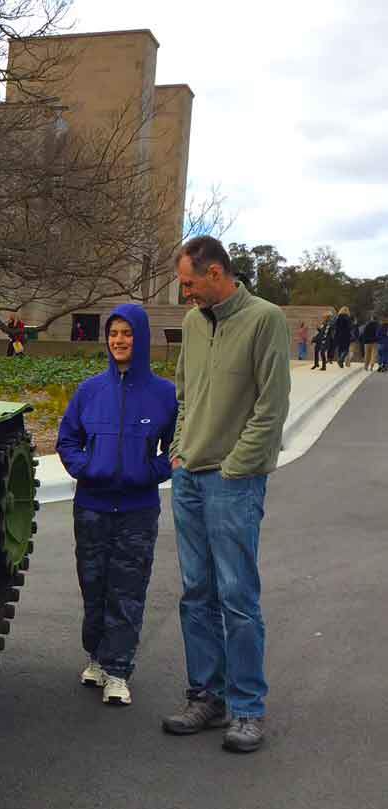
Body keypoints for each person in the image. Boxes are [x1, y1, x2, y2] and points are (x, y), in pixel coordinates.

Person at [162, 237, 289, 753]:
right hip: (190, 477)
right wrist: (178, 450)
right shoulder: (194, 324)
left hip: (233, 482)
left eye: (189, 283)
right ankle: (207, 696)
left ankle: (247, 709)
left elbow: (271, 408)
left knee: (237, 596)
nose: (185, 292)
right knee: (196, 593)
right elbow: (184, 394)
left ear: (217, 273)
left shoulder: (265, 320)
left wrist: (235, 468)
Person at [56, 303, 177, 706]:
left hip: (136, 510)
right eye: (113, 334)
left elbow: (176, 447)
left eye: (127, 333)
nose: (119, 341)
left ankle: (119, 671)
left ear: (140, 338)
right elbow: (67, 438)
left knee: (127, 590)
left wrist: (152, 471)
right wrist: (85, 467)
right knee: (94, 585)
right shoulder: (90, 390)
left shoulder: (162, 394)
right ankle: (96, 656)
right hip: (91, 506)